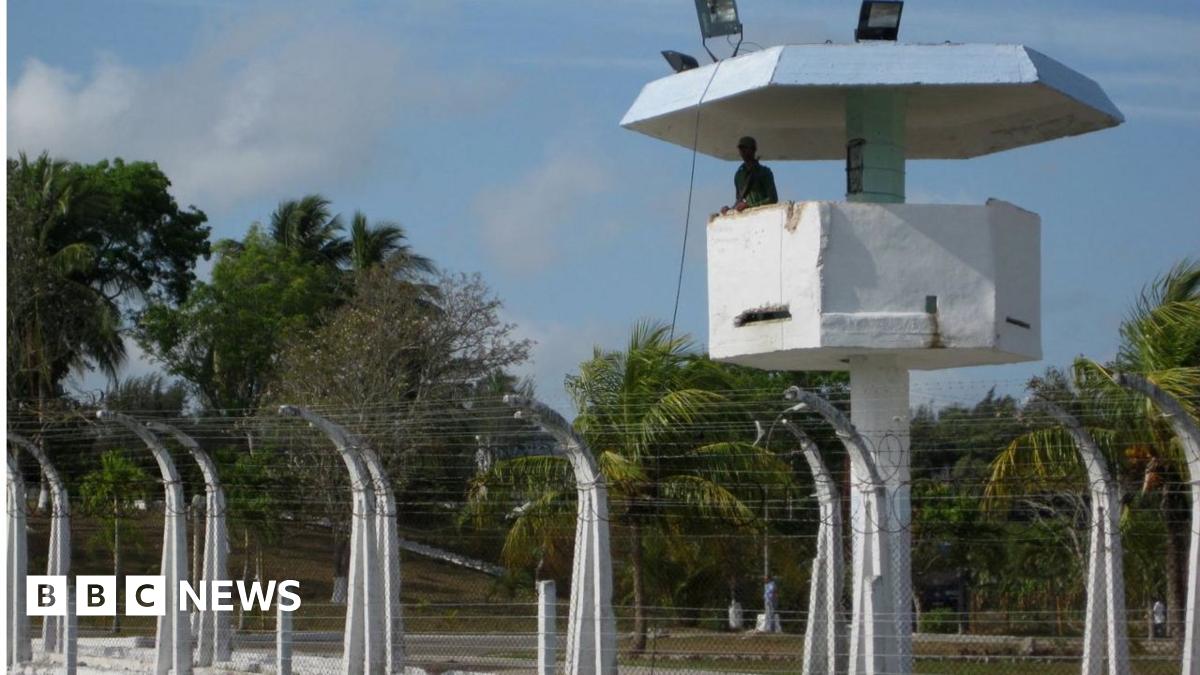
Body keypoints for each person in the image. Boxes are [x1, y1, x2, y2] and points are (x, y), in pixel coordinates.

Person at [722, 136, 778, 214]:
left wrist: (750, 205)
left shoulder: (764, 172)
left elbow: (773, 199)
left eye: (745, 147)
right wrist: (730, 209)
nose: (742, 151)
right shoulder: (738, 175)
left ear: (753, 149)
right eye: (740, 148)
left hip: (763, 215)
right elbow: (739, 200)